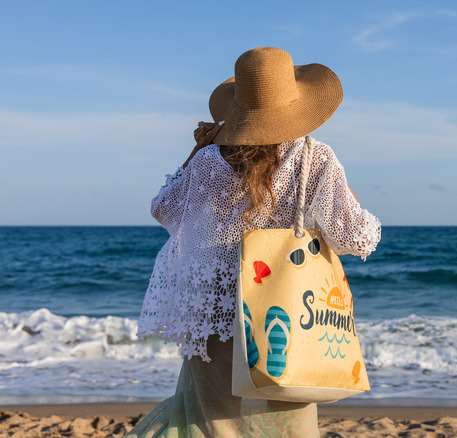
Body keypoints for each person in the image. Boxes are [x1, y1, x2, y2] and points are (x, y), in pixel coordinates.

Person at [128, 47, 381, 437]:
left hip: (215, 316)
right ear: (297, 105)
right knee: (285, 426)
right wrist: (350, 195)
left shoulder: (209, 160)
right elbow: (355, 238)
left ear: (239, 107)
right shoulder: (315, 159)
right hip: (285, 314)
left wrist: (198, 148)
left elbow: (164, 208)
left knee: (211, 424)